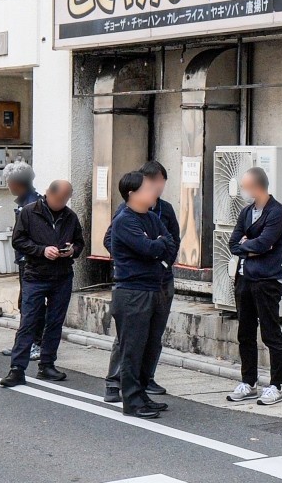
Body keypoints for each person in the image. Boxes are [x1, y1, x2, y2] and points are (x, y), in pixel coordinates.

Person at [104, 161, 180, 402]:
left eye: (160, 183)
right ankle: (117, 384)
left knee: (152, 337)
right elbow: (121, 242)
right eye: (151, 185)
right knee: (130, 341)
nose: (157, 189)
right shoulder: (125, 215)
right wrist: (136, 257)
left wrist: (160, 261)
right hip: (133, 285)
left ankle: (145, 383)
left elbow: (171, 242)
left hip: (160, 281)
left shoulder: (161, 211)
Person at [0, 180, 83, 387]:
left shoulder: (70, 216)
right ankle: (17, 369)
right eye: (59, 199)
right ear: (49, 193)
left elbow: (80, 243)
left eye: (66, 199)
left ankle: (47, 365)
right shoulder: (29, 212)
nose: (62, 203)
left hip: (62, 275)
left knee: (55, 322)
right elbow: (18, 241)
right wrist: (42, 250)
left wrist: (72, 251)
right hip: (35, 274)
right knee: (28, 322)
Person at [225, 167, 282, 406]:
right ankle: (248, 382)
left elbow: (265, 244)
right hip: (243, 279)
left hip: (266, 280)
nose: (242, 191)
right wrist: (249, 247)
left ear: (256, 187)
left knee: (271, 333)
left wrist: (249, 244)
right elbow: (233, 243)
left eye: (245, 186)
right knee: (245, 333)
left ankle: (276, 385)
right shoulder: (246, 212)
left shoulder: (276, 211)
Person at [1, 161, 44, 360]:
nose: (8, 186)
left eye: (8, 183)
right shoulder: (28, 201)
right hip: (27, 259)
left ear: (16, 184)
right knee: (26, 302)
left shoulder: (31, 205)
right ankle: (25, 342)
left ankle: (35, 343)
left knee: (31, 304)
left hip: (31, 261)